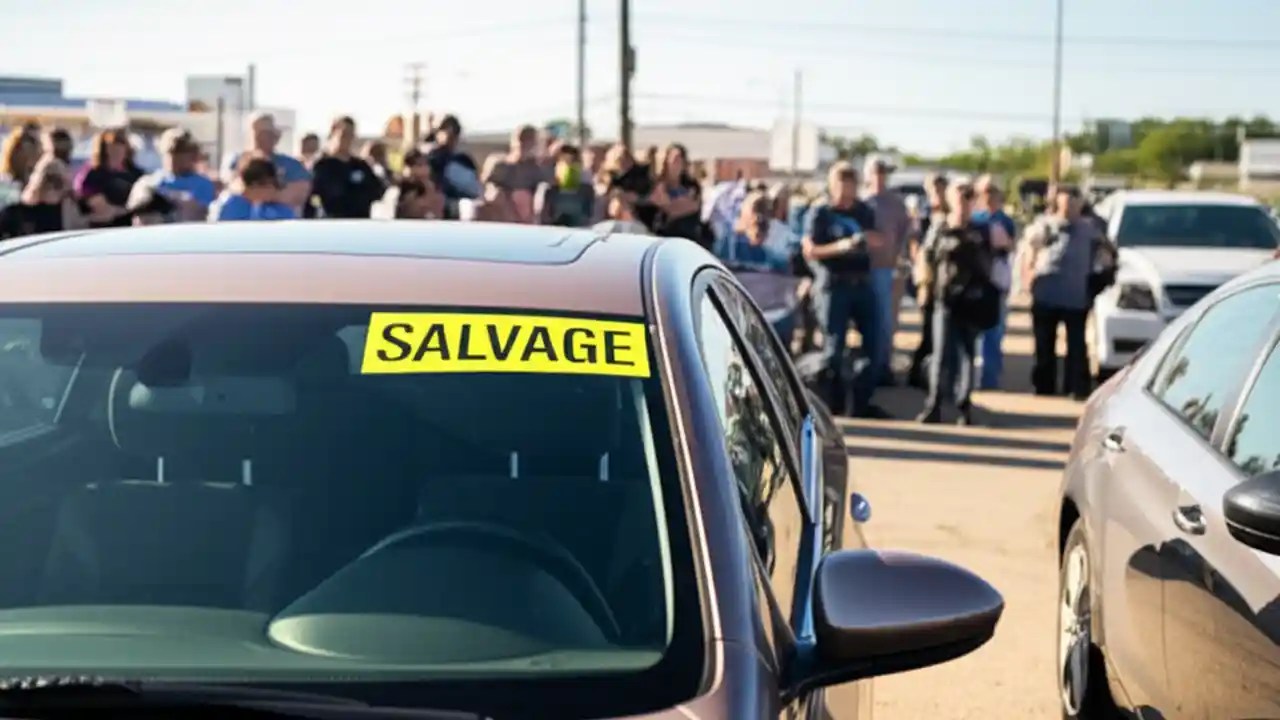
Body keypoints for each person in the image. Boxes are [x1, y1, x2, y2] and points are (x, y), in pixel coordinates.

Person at [802, 161, 890, 419]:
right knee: (833, 349)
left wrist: (868, 241)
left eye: (850, 184)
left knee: (874, 345)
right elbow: (810, 250)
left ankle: (861, 402)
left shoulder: (863, 211)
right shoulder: (821, 213)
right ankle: (831, 405)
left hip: (861, 282)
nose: (845, 190)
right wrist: (842, 246)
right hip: (833, 284)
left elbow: (877, 238)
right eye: (841, 184)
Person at [916, 180, 1003, 425]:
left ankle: (964, 406)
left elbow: (992, 262)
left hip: (973, 299)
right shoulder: (940, 228)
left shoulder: (983, 230)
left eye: (969, 197)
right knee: (942, 355)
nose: (964, 202)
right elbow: (927, 258)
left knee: (968, 356)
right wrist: (926, 288)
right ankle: (934, 404)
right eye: (960, 196)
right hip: (946, 299)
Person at [1021, 185, 1102, 400]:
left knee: (1076, 346)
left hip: (1076, 296)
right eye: (1064, 204)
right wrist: (1028, 276)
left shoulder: (1090, 229)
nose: (1068, 209)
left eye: (1073, 204)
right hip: (1046, 293)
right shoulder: (1043, 226)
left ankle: (1076, 387)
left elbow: (1105, 253)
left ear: (1080, 204)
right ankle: (1044, 386)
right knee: (1044, 345)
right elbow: (1029, 252)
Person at [862, 156, 911, 386]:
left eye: (883, 172)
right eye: (875, 172)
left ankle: (882, 366)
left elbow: (905, 235)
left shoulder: (896, 204)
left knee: (886, 321)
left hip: (886, 269)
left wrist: (899, 260)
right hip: (861, 270)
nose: (879, 176)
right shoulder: (862, 202)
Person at [971, 175, 1017, 390]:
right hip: (974, 279)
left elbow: (1008, 246)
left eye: (992, 192)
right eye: (984, 193)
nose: (988, 197)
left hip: (996, 281)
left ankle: (990, 376)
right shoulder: (973, 218)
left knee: (994, 330)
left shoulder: (1004, 221)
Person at [221, 112, 312, 213]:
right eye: (259, 133)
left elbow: (299, 194)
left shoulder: (291, 165)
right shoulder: (236, 160)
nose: (263, 138)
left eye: (268, 133)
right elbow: (232, 187)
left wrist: (260, 194)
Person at [908, 173, 950, 389]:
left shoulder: (951, 215)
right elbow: (916, 246)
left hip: (947, 279)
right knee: (928, 331)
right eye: (934, 189)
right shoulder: (923, 216)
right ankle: (918, 372)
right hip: (928, 278)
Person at [127, 128, 217, 225]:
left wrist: (176, 203)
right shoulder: (148, 182)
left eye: (181, 151)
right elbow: (134, 209)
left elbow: (203, 213)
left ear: (193, 154)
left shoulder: (203, 184)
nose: (174, 157)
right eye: (170, 152)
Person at [310, 116, 386, 219]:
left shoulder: (361, 166)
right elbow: (314, 196)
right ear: (333, 134)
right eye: (344, 134)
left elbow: (376, 191)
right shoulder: (322, 166)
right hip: (331, 223)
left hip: (359, 223)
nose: (347, 139)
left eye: (351, 135)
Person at [73, 128, 143, 228]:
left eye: (121, 145)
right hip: (99, 228)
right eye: (112, 146)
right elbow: (90, 203)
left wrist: (121, 210)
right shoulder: (92, 174)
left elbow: (141, 202)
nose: (117, 150)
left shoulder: (136, 175)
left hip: (128, 227)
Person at [0, 157, 85, 239]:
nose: (52, 187)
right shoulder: (13, 214)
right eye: (50, 180)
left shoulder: (74, 210)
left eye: (58, 183)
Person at [424, 115, 481, 219]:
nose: (449, 135)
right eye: (445, 129)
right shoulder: (428, 158)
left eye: (454, 131)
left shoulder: (464, 161)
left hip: (460, 210)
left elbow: (474, 190)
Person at [650, 143, 705, 245]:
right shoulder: (658, 185)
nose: (676, 163)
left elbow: (694, 205)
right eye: (674, 159)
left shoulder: (691, 185)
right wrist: (680, 205)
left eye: (680, 159)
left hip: (689, 238)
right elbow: (667, 209)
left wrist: (673, 206)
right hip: (664, 239)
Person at [212, 157, 297, 221]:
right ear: (255, 185)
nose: (276, 190)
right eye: (273, 184)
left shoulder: (281, 209)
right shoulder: (232, 206)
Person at [538, 144, 596, 227]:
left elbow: (590, 217)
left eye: (573, 161)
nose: (569, 166)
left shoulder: (586, 190)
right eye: (565, 162)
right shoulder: (548, 190)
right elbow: (544, 219)